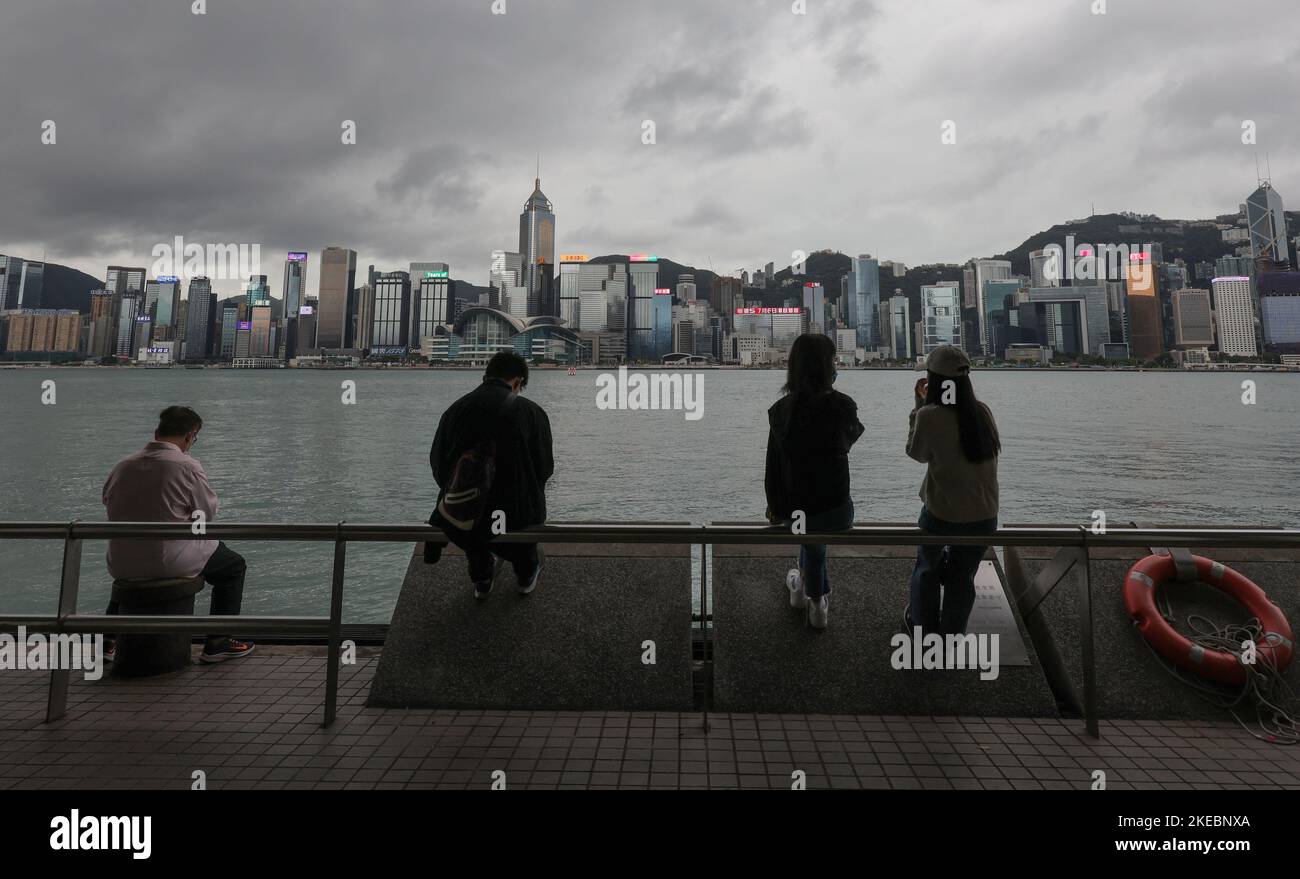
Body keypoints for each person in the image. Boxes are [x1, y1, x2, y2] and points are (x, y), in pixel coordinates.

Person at [102, 405, 253, 663]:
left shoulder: (123, 465)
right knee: (233, 566)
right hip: (170, 559)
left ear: (157, 431)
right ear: (190, 436)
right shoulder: (186, 466)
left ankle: (107, 640)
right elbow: (206, 513)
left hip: (121, 560)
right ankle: (218, 642)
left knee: (136, 568)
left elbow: (107, 500)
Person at [427, 351, 554, 599]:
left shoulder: (455, 410)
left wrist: (462, 489)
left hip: (463, 512)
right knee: (525, 535)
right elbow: (545, 467)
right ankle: (526, 574)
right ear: (518, 381)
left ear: (485, 376)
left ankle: (482, 576)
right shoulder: (532, 412)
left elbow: (438, 464)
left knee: (472, 521)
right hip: (519, 513)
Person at [764, 333, 864, 629]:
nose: (836, 364)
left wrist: (773, 507)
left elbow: (772, 467)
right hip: (837, 512)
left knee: (810, 534)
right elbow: (850, 436)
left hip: (792, 512)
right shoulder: (843, 406)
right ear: (825, 367)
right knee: (815, 538)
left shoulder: (781, 412)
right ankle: (816, 600)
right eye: (833, 360)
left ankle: (806, 591)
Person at [904, 345, 1000, 636]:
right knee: (962, 576)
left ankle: (922, 628)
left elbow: (916, 453)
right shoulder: (982, 411)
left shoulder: (930, 415)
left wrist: (918, 406)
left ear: (934, 381)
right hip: (984, 516)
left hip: (942, 513)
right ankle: (952, 634)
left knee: (927, 570)